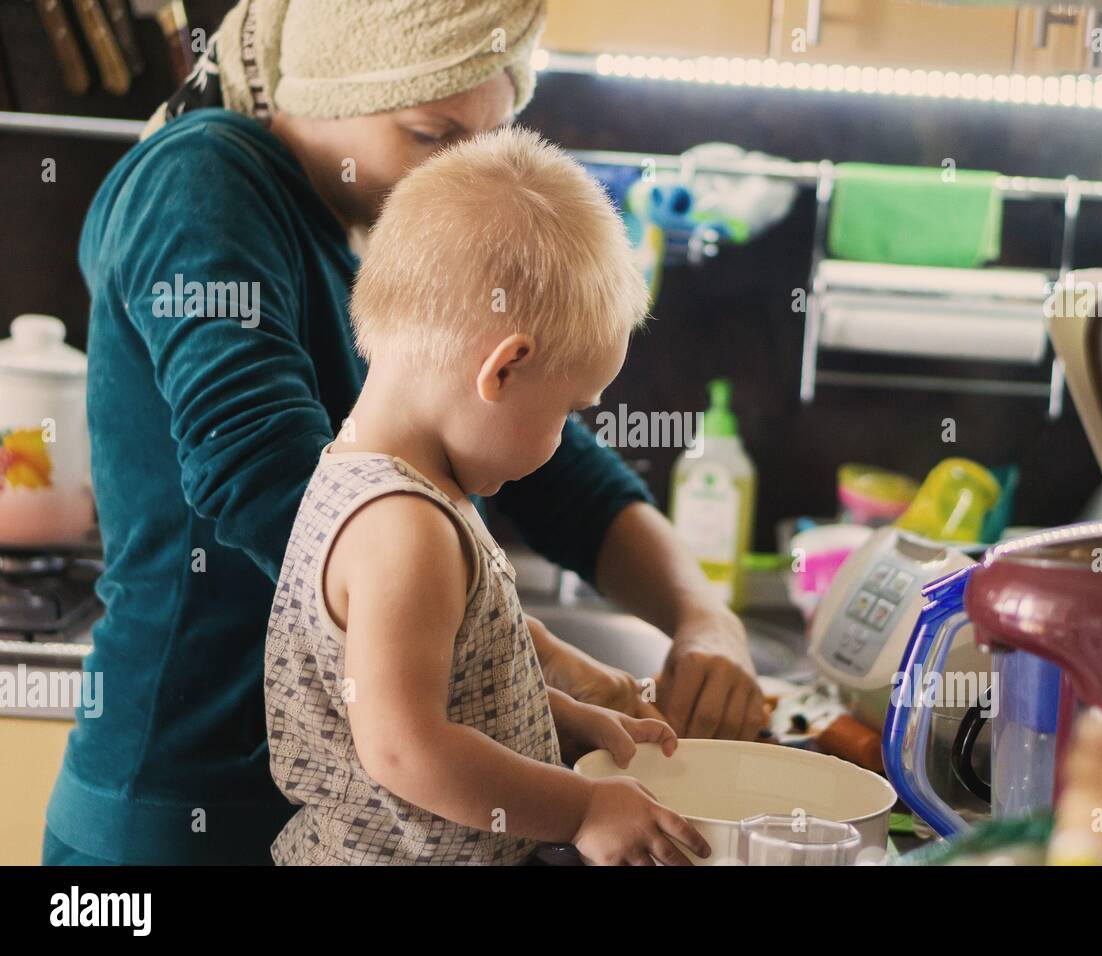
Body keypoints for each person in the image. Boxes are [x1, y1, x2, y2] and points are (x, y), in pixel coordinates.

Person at [45, 0, 763, 866]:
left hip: (335, 817)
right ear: (334, 85)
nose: (460, 171)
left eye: (489, 136)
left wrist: (702, 616)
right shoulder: (201, 181)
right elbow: (258, 467)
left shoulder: (361, 226)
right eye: (432, 132)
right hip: (181, 806)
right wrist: (513, 653)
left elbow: (549, 451)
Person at [267, 127, 711, 866]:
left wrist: (551, 720)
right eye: (571, 411)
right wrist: (583, 808)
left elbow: (442, 696)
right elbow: (406, 750)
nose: (564, 439)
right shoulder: (403, 527)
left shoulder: (375, 477)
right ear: (504, 370)